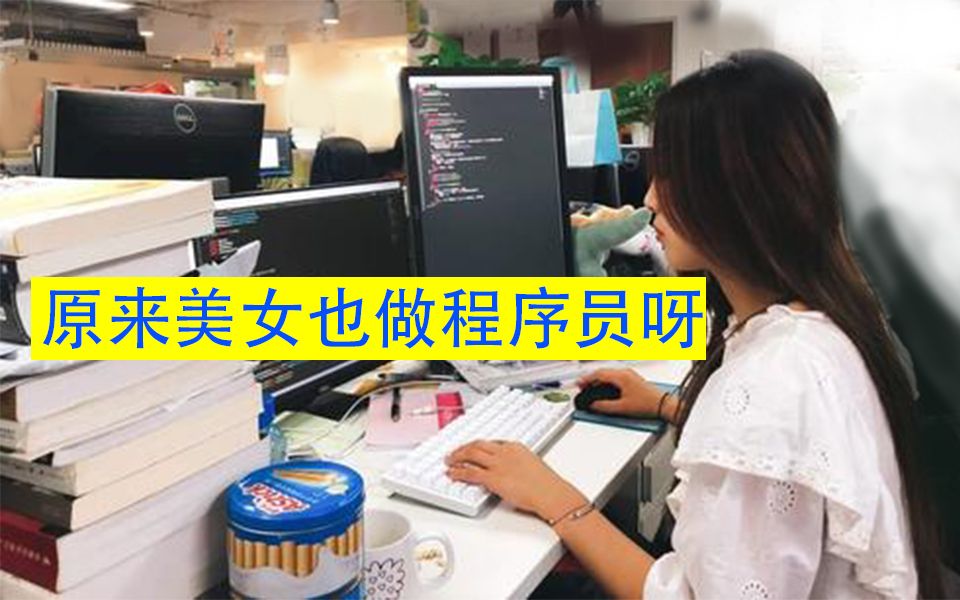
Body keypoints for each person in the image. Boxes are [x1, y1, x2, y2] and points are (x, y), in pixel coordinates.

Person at [446, 50, 943, 599]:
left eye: (672, 177)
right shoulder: (823, 320)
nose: (650, 199)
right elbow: (786, 463)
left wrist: (553, 498)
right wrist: (665, 405)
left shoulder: (776, 377)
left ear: (738, 193)